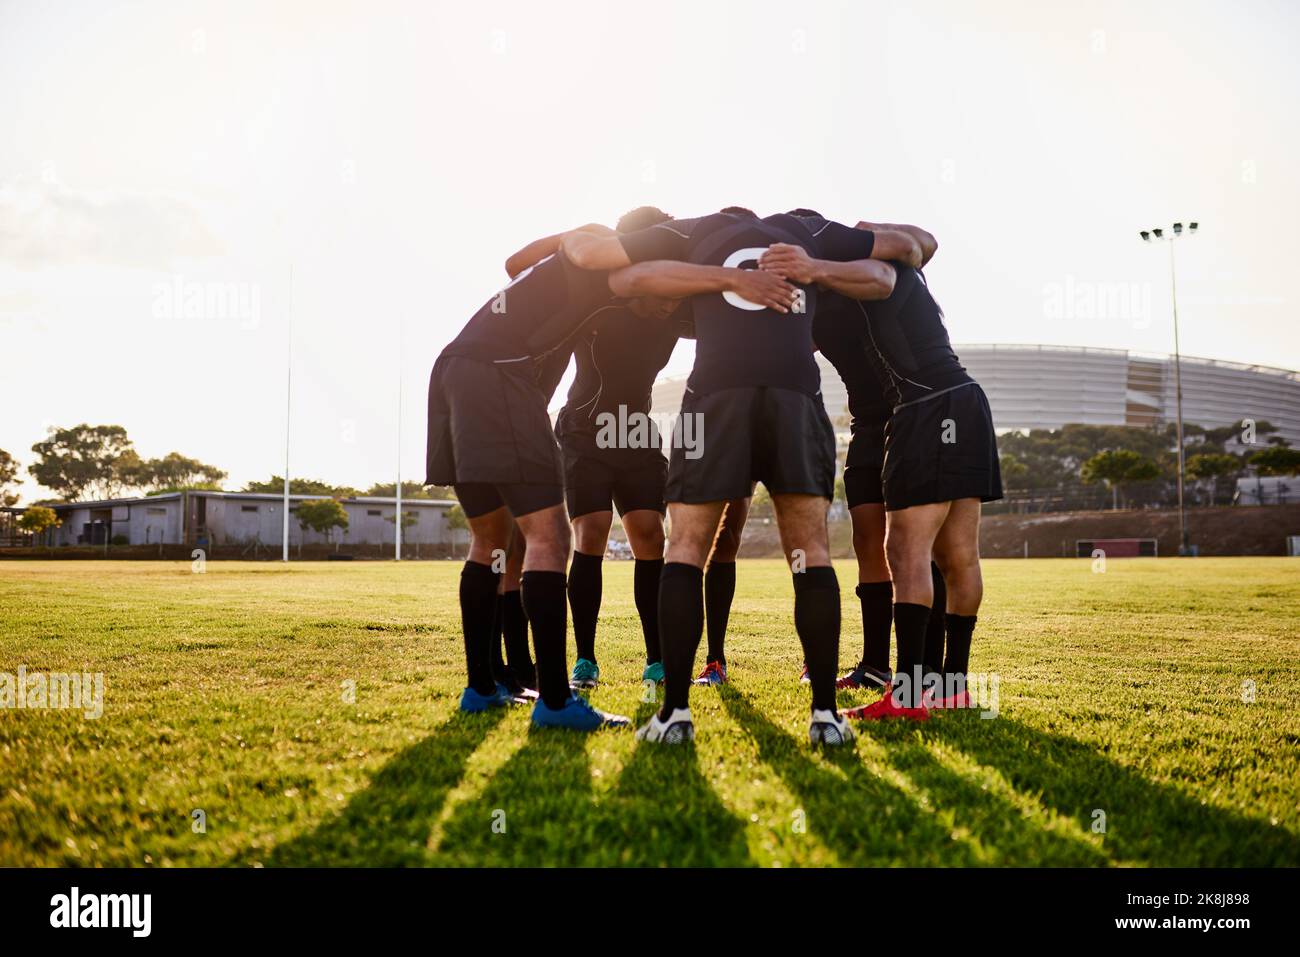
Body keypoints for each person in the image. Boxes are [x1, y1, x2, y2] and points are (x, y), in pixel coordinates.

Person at [427, 229, 798, 731]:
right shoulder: (604, 252)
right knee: (550, 538)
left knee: (493, 540)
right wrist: (734, 276)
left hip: (456, 370)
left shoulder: (580, 269)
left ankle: (481, 688)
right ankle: (557, 702)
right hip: (501, 377)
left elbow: (517, 262)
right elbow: (640, 273)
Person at [561, 209, 906, 744]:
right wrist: (813, 268)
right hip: (794, 395)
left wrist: (715, 277)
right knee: (810, 551)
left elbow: (615, 272)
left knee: (687, 549)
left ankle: (675, 712)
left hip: (715, 398)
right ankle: (824, 718)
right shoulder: (805, 234)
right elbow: (891, 270)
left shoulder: (696, 231)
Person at [837, 231, 1003, 722]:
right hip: (967, 399)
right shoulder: (913, 270)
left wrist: (811, 268)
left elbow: (881, 271)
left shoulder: (879, 273)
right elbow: (921, 244)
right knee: (958, 557)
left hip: (926, 407)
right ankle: (952, 685)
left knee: (904, 550)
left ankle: (906, 697)